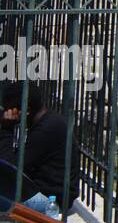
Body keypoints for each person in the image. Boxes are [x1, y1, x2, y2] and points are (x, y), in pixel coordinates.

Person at [0, 82, 72, 211]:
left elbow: (11, 167)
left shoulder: (47, 130)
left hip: (51, 201)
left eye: (9, 110)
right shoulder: (47, 120)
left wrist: (6, 130)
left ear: (26, 111)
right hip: (39, 191)